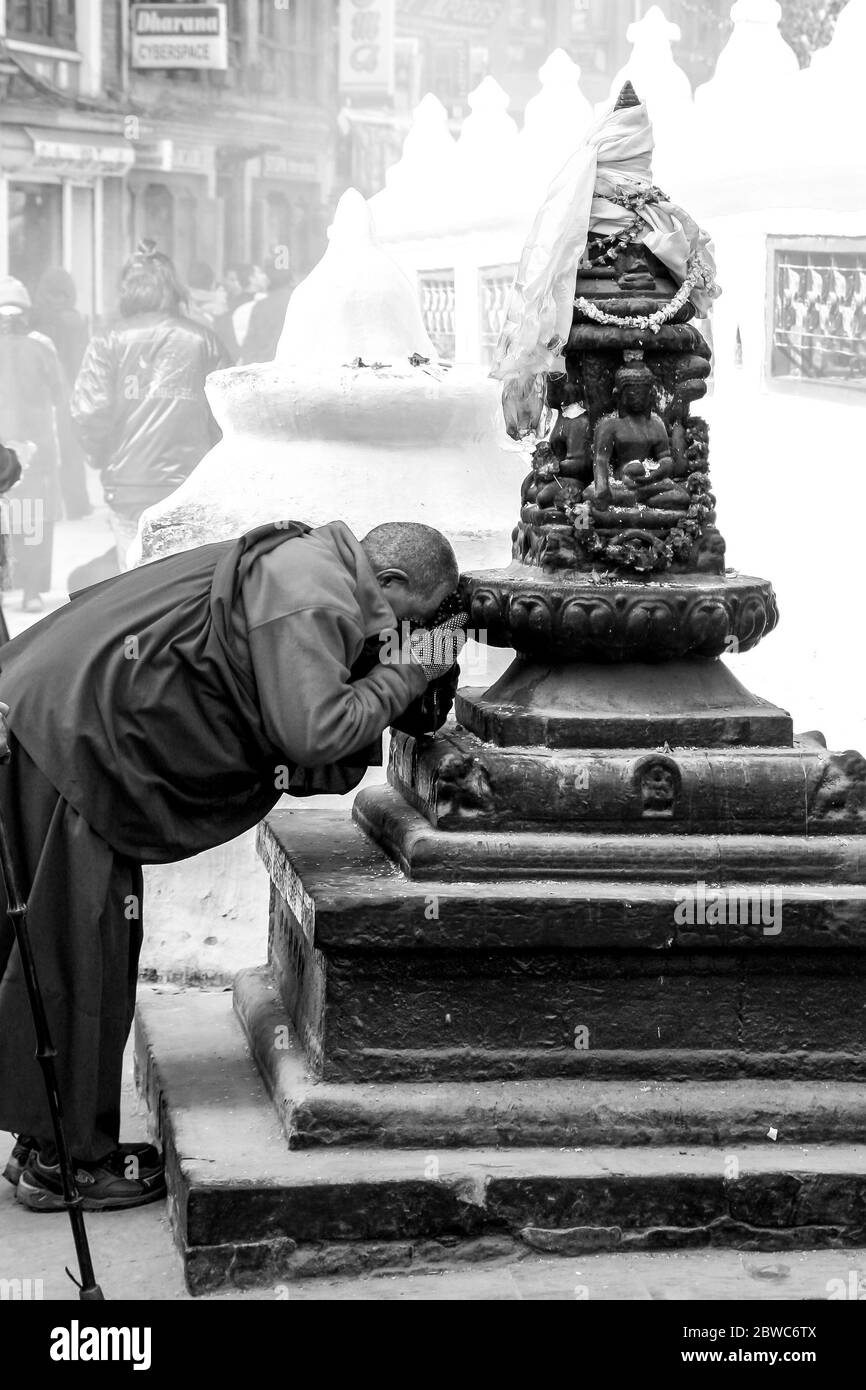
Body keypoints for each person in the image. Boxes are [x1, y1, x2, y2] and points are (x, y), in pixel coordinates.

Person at [0, 518, 465, 1210]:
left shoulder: (315, 570)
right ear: (390, 583)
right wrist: (410, 670)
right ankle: (66, 1162)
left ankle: (49, 1143)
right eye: (413, 620)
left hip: (63, 725)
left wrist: (402, 674)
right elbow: (314, 730)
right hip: (68, 738)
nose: (403, 637)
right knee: (78, 941)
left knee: (81, 936)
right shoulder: (313, 594)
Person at [71, 241, 231, 570]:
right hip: (191, 484)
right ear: (174, 289)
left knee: (133, 584)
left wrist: (103, 457)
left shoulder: (107, 341)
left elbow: (89, 411)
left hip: (129, 485)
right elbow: (227, 413)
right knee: (185, 583)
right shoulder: (204, 340)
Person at [0, 277, 75, 612]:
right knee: (32, 520)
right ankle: (30, 592)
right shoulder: (41, 344)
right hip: (33, 450)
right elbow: (61, 396)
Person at [30, 268, 92, 520]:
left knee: (43, 454)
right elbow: (83, 360)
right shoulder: (75, 320)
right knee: (71, 452)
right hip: (69, 391)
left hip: (41, 394)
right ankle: (77, 506)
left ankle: (49, 510)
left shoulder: (35, 319)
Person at [240, 249, 296, 365]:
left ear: (268, 278)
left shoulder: (260, 307)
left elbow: (249, 350)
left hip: (268, 373)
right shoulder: (303, 300)